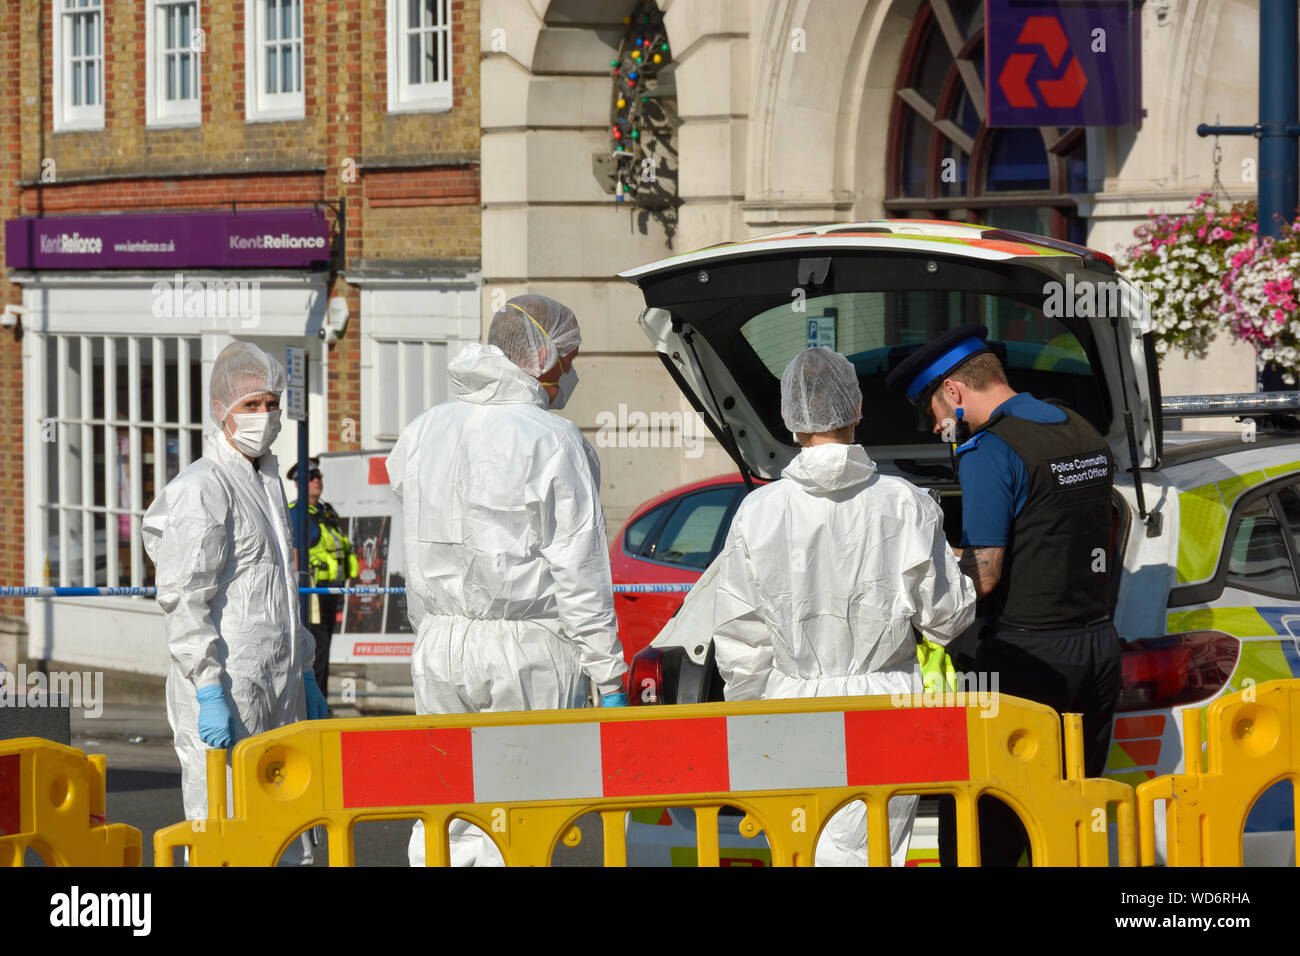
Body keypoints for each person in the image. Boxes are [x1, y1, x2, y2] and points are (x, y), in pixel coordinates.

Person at [710, 347, 976, 867]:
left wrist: (746, 716)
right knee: (872, 852)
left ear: (789, 420)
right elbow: (946, 616)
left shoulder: (757, 512)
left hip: (790, 706)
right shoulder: (906, 502)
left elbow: (740, 638)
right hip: (888, 707)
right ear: (857, 409)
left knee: (803, 850)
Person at [386, 294, 628, 867]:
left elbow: (417, 538)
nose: (572, 371)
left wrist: (430, 627)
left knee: (447, 813)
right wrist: (608, 671)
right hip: (526, 653)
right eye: (570, 356)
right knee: (525, 818)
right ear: (543, 357)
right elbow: (580, 571)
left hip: (440, 646)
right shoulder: (551, 439)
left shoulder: (424, 430)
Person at [886, 323, 1121, 866]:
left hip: (1027, 659)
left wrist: (920, 600)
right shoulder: (1079, 428)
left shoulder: (987, 450)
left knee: (982, 829)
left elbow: (984, 574)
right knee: (1070, 821)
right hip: (1098, 650)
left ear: (954, 392)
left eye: (935, 412)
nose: (938, 427)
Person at [142, 341, 329, 866]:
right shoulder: (203, 487)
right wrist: (206, 686)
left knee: (284, 824)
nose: (265, 415)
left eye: (272, 403)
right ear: (222, 410)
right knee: (223, 829)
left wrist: (306, 669)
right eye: (251, 405)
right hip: (228, 685)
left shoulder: (266, 483)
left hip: (278, 683)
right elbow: (184, 597)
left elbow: (279, 591)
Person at [287, 457, 359, 703]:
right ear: (299, 484)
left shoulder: (326, 512)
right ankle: (315, 706)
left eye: (319, 477)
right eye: (311, 478)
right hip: (311, 594)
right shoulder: (297, 514)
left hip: (330, 593)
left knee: (323, 650)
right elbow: (295, 553)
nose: (317, 481)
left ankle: (320, 703)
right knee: (316, 651)